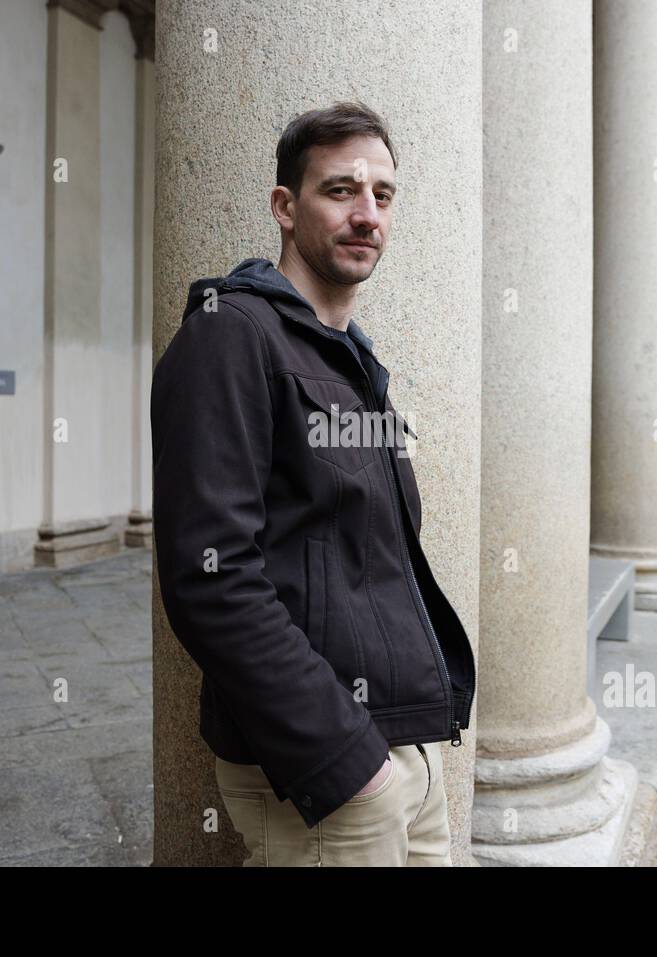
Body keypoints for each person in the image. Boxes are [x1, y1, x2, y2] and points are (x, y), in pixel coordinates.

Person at [150, 102, 476, 866]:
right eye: (340, 190)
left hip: (409, 753)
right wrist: (348, 762)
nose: (368, 214)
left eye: (384, 195)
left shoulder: (352, 359)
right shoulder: (229, 333)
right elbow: (211, 575)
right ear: (285, 208)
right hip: (327, 776)